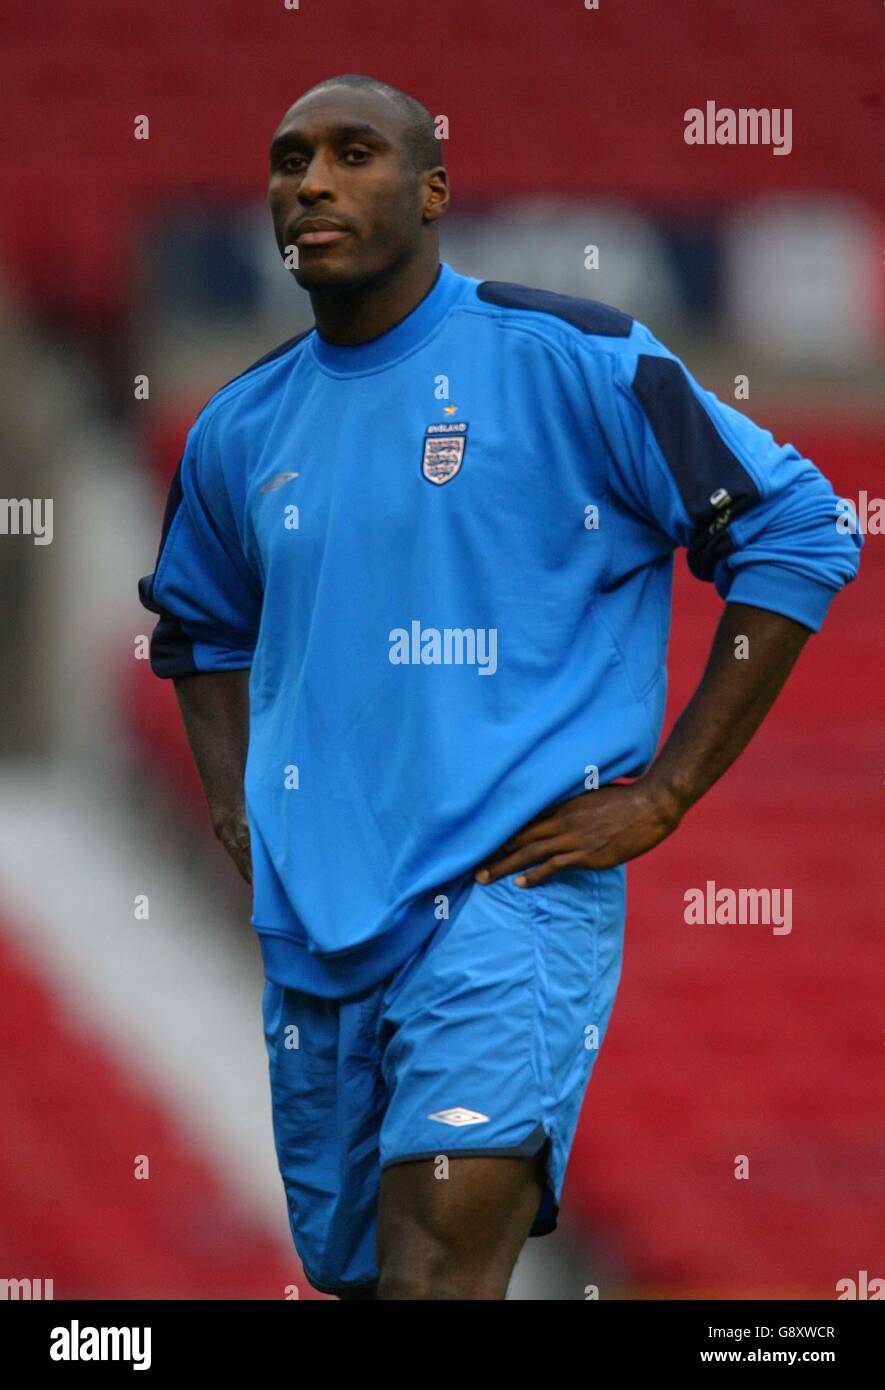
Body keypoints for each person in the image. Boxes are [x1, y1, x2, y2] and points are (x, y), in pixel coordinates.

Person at [137, 74, 862, 1300]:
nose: (309, 182)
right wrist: (232, 805)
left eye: (352, 154)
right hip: (319, 924)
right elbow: (199, 631)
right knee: (360, 1279)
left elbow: (799, 530)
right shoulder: (237, 428)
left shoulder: (573, 359)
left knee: (434, 1277)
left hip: (509, 901)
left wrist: (668, 791)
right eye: (289, 159)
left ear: (432, 192)